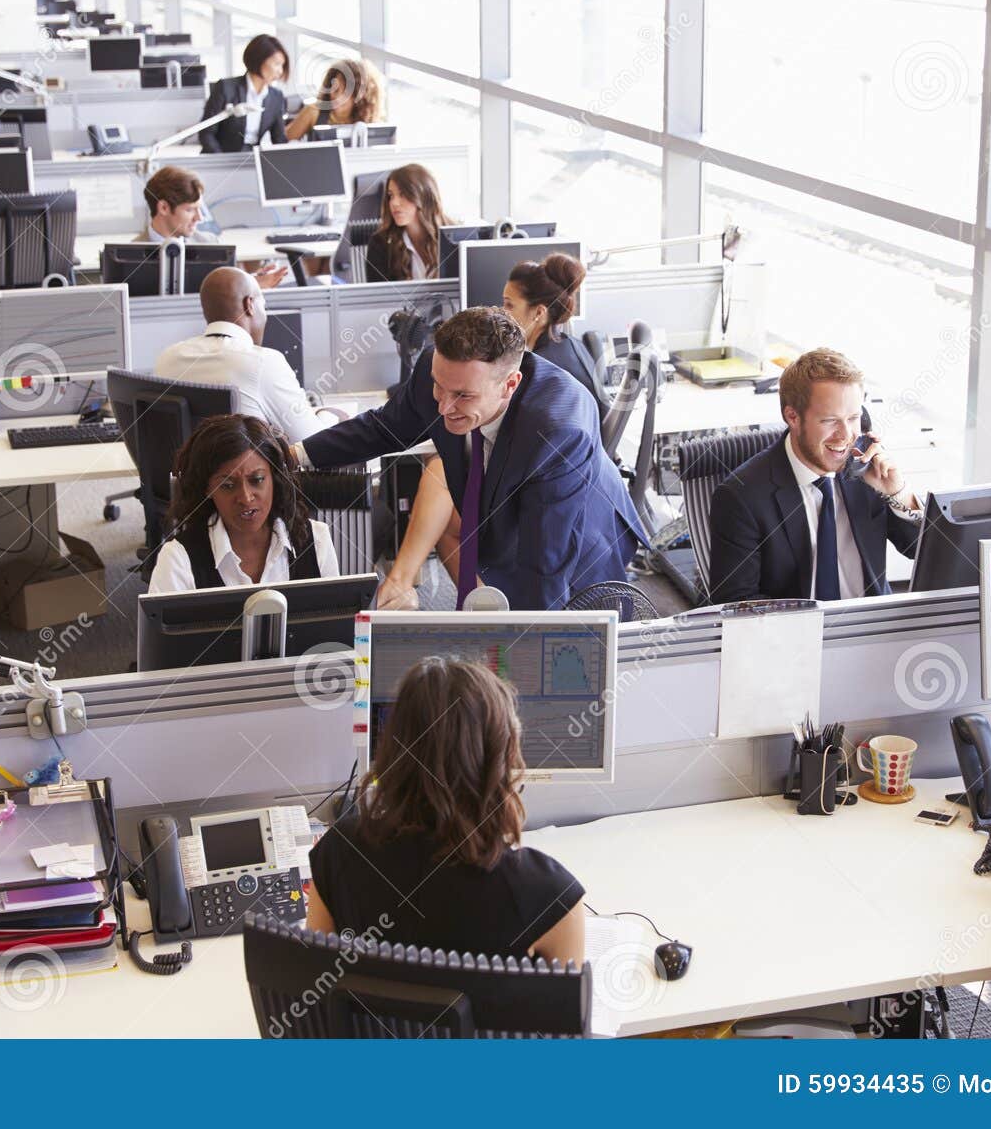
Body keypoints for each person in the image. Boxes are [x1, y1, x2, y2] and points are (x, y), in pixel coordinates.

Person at [301, 307, 645, 611]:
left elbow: (544, 567)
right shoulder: (442, 371)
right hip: (506, 510)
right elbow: (382, 428)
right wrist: (294, 455)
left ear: (510, 384)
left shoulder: (557, 432)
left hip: (583, 537)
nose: (444, 407)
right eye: (439, 388)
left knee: (573, 653)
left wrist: (526, 653)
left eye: (463, 396)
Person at [308, 656, 586, 962]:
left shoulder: (339, 853)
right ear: (501, 762)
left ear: (392, 748)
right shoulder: (550, 897)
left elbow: (314, 981)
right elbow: (566, 1009)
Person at [708, 347, 921, 603]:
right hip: (794, 635)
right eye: (830, 421)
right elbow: (735, 604)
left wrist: (898, 493)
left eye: (853, 418)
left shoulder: (866, 464)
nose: (845, 436)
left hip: (874, 625)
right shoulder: (741, 496)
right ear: (792, 416)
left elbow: (919, 551)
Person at [148, 414, 339, 593]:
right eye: (228, 485)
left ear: (275, 479)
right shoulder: (178, 559)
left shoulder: (317, 540)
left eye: (257, 480)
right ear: (207, 488)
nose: (246, 498)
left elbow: (336, 626)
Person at [153, 267, 332, 445]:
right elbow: (315, 442)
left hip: (186, 473)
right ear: (250, 305)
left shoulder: (167, 359)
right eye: (264, 305)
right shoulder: (263, 363)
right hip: (247, 473)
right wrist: (329, 416)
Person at [136, 165, 286, 286]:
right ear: (163, 208)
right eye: (190, 209)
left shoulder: (209, 243)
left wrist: (251, 284)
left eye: (199, 208)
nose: (199, 218)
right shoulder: (127, 256)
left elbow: (224, 292)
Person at [502, 252, 608, 419]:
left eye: (509, 305)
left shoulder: (537, 368)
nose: (503, 313)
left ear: (538, 312)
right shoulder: (573, 345)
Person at [200, 34, 289, 153]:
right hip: (222, 157)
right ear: (259, 59)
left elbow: (279, 140)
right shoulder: (225, 87)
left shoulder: (276, 96)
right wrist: (221, 161)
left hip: (252, 159)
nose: (280, 71)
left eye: (282, 65)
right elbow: (206, 133)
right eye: (277, 64)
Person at [365, 164, 453, 282]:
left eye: (403, 194)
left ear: (423, 196)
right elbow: (379, 298)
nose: (394, 203)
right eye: (391, 196)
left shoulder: (454, 237)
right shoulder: (380, 243)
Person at [285, 57, 383, 141]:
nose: (336, 97)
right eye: (334, 89)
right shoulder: (314, 111)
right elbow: (282, 143)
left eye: (345, 93)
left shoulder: (368, 119)